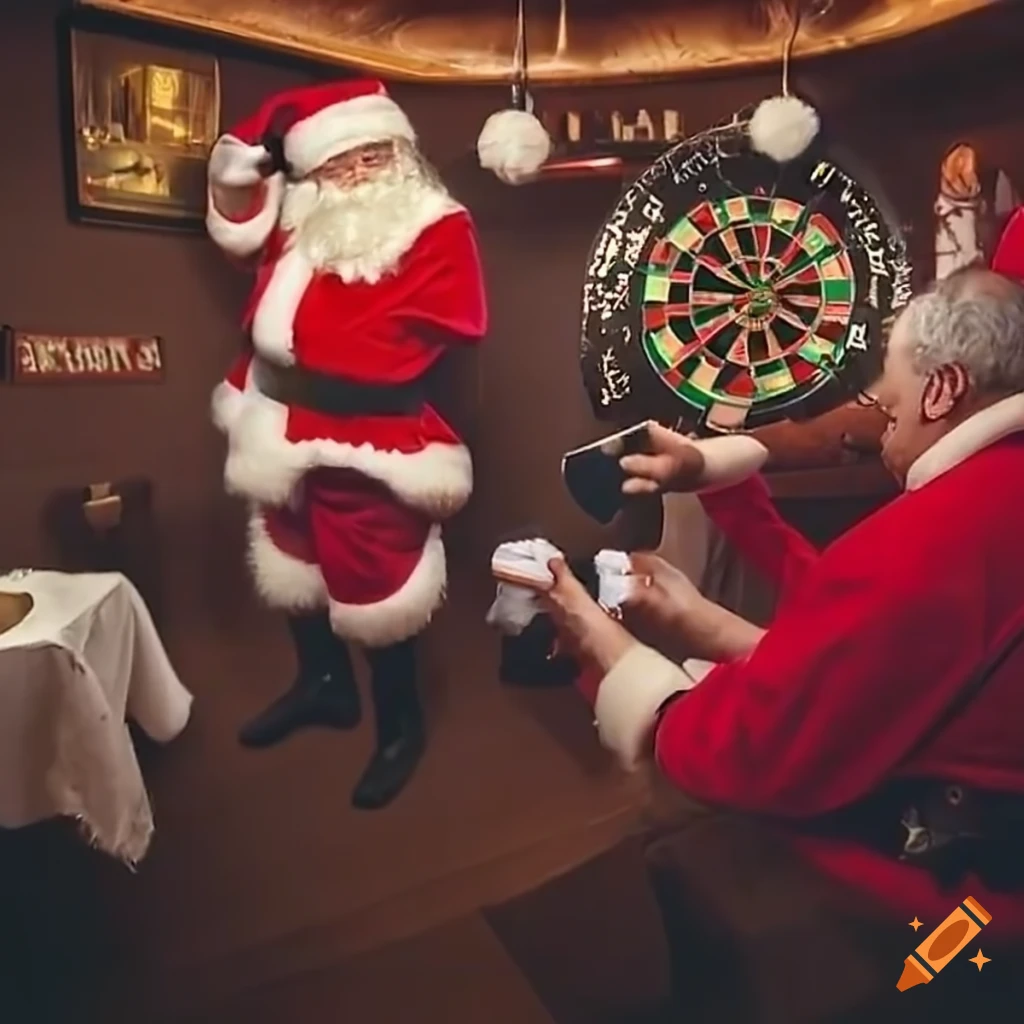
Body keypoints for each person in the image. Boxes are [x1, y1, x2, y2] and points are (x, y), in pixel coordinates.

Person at [543, 267, 1024, 953]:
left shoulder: (933, 540)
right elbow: (861, 622)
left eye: (888, 409)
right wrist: (714, 484)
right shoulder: (985, 502)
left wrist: (610, 655)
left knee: (669, 821)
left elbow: (741, 751)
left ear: (944, 388)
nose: (880, 436)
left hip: (965, 920)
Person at [206, 79, 488, 810]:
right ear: (315, 172)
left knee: (376, 583)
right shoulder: (302, 219)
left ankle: (401, 723)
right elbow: (237, 221)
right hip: (275, 421)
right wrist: (248, 165)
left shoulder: (437, 224)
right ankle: (325, 686)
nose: (361, 174)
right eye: (342, 162)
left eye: (375, 155)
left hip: (371, 438)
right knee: (292, 551)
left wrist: (303, 355)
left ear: (401, 156)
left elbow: (418, 334)